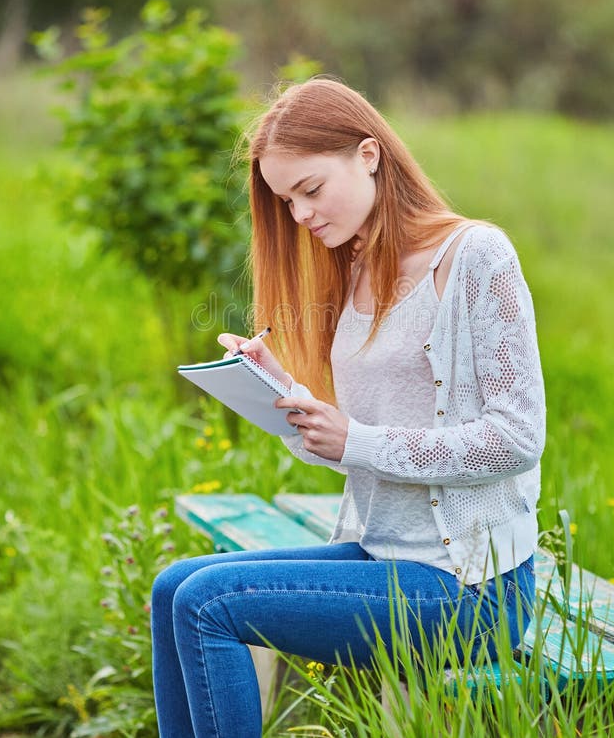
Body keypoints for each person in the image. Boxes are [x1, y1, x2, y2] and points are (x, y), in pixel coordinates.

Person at [151, 77, 545, 738]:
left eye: (309, 189)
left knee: (207, 605)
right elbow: (366, 440)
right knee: (173, 587)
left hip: (469, 587)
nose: (300, 214)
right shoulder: (357, 265)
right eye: (286, 200)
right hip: (382, 555)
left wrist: (355, 439)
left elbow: (516, 437)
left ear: (369, 154)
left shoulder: (477, 256)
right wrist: (286, 397)